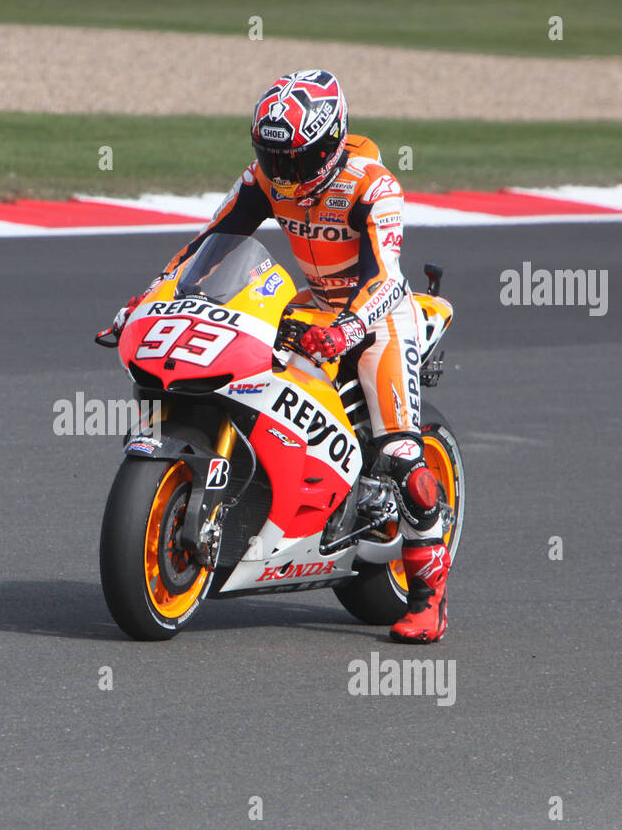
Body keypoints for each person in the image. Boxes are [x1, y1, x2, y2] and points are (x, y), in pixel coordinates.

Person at [112, 70, 449, 642]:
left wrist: (347, 330)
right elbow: (207, 246)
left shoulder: (375, 187)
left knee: (400, 456)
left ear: (332, 140)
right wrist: (149, 297)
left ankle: (429, 596)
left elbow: (387, 279)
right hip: (312, 306)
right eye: (275, 159)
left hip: (377, 319)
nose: (287, 175)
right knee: (244, 371)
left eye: (299, 160)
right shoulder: (265, 180)